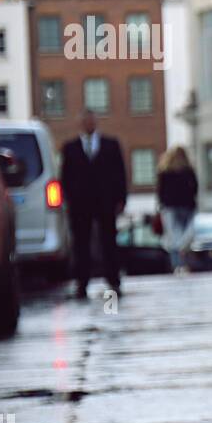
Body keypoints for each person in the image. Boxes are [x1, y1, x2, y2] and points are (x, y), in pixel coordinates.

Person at [60, 110, 128, 298]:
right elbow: (65, 177)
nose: (89, 124)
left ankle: (113, 280)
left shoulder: (111, 145)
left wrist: (121, 199)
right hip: (80, 205)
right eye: (85, 121)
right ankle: (82, 282)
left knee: (109, 242)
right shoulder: (70, 148)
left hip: (106, 202)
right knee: (81, 244)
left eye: (91, 120)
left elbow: (120, 174)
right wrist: (69, 199)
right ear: (81, 124)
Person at [155, 147, 199, 274]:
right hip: (187, 206)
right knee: (185, 237)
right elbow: (195, 188)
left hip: (170, 207)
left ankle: (176, 265)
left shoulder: (165, 171)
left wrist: (161, 205)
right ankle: (184, 264)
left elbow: (160, 191)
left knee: (174, 237)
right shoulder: (189, 170)